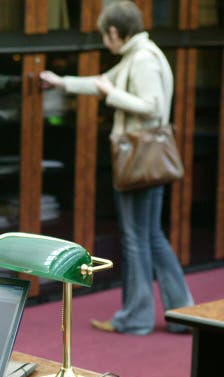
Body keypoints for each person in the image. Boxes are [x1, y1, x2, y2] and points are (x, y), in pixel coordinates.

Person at [39, 0, 193, 335]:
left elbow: (150, 108)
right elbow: (99, 82)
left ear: (113, 32)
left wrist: (112, 94)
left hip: (138, 158)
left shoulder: (142, 61)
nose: (104, 42)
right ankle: (183, 314)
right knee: (150, 236)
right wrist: (62, 82)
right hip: (147, 157)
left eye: (104, 35)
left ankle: (137, 317)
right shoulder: (141, 56)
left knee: (138, 237)